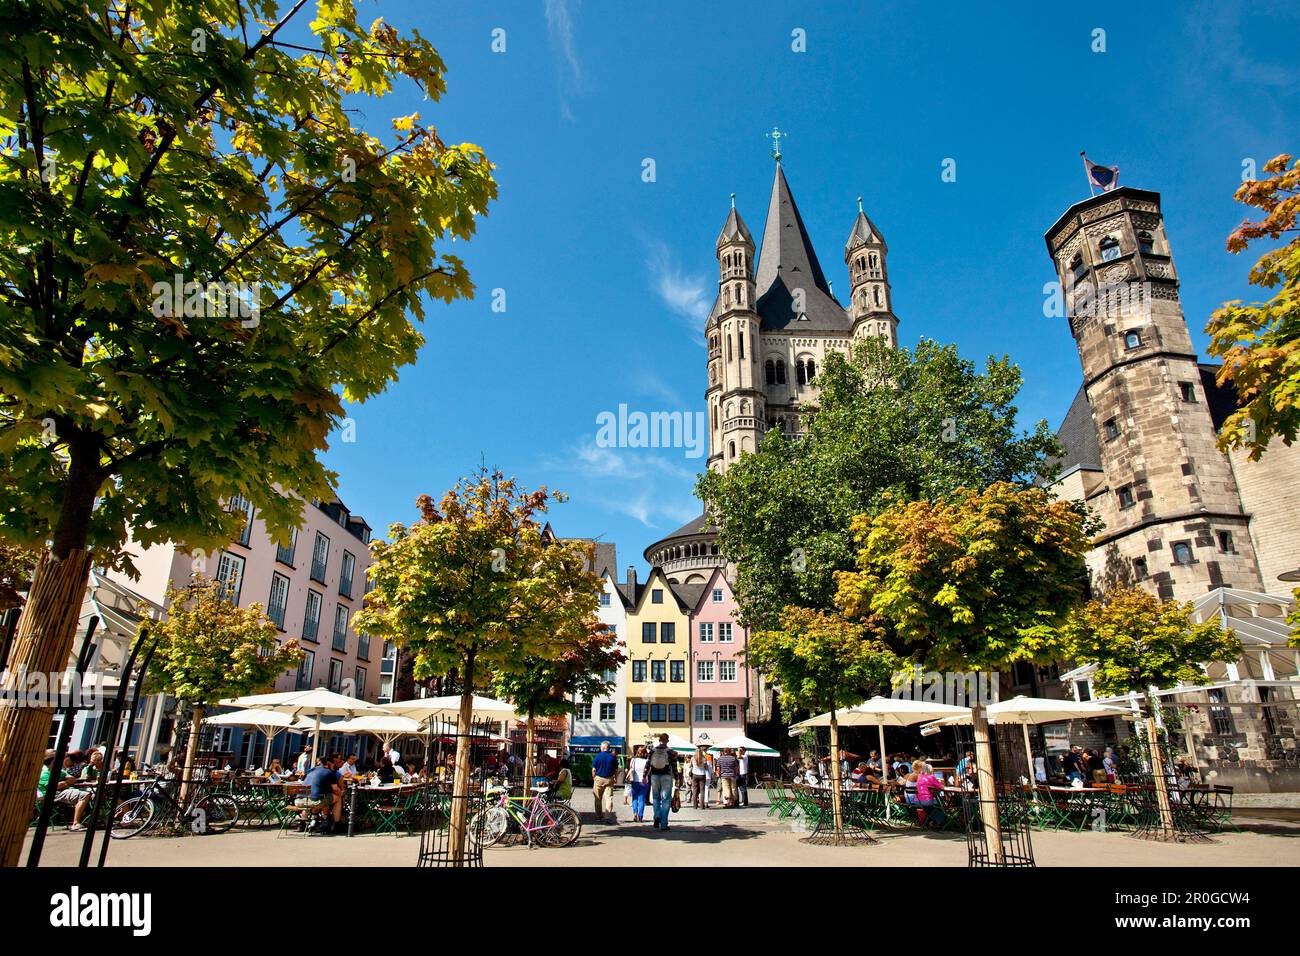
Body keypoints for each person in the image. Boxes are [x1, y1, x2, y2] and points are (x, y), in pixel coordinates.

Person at [37, 750, 93, 830]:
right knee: (84, 795)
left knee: (90, 793)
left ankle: (88, 818)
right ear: (53, 760)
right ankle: (75, 823)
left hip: (62, 791)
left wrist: (64, 783)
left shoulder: (59, 770)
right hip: (51, 795)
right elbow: (55, 786)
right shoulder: (45, 772)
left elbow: (72, 779)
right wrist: (65, 783)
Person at [297, 752, 344, 833]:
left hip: (299, 801)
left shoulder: (311, 770)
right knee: (337, 798)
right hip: (315, 801)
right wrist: (342, 792)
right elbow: (336, 789)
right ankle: (336, 824)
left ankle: (303, 823)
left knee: (316, 798)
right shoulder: (329, 772)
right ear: (329, 764)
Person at [645, 733, 680, 831]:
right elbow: (674, 766)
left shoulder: (652, 751)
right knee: (666, 800)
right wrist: (677, 778)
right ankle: (664, 824)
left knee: (656, 798)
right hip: (666, 776)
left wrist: (644, 776)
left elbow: (648, 764)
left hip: (654, 776)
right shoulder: (670, 752)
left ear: (659, 740)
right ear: (667, 740)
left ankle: (656, 816)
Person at [590, 740, 619, 825]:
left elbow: (593, 769)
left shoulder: (598, 756)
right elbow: (616, 770)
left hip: (599, 778)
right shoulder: (613, 757)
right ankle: (608, 817)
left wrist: (594, 777)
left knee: (598, 798)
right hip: (609, 779)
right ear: (608, 748)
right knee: (609, 798)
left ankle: (599, 816)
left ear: (603, 747)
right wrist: (615, 778)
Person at [913, 761, 947, 829]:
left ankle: (932, 821)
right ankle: (939, 821)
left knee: (931, 807)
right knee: (943, 804)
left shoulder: (920, 777)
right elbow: (941, 787)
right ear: (931, 770)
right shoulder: (931, 777)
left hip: (917, 801)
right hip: (927, 801)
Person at [627, 745, 650, 822]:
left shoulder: (633, 760)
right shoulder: (647, 761)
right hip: (644, 782)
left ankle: (635, 813)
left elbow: (631, 769)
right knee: (642, 800)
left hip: (634, 781)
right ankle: (640, 816)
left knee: (634, 799)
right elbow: (649, 772)